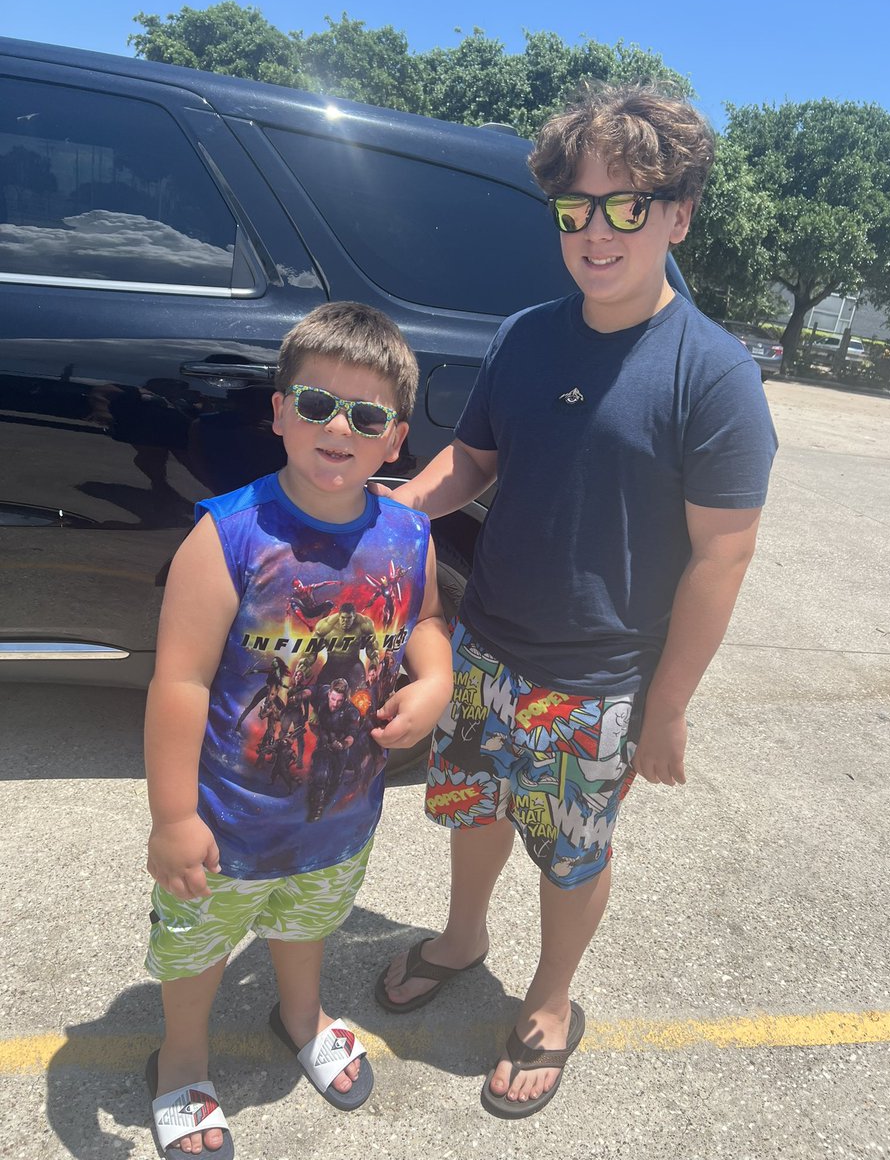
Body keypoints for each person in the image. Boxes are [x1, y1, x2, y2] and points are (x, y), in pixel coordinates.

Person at [375, 83, 778, 1119]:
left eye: (627, 204)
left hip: (596, 679)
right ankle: (463, 938)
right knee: (472, 808)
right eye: (576, 207)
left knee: (569, 851)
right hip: (485, 645)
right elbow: (473, 460)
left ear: (678, 216)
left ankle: (552, 999)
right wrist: (393, 514)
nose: (597, 230)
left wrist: (668, 707)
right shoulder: (527, 334)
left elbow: (721, 557)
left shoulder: (714, 375)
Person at [143, 302, 452, 1156]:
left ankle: (302, 1015)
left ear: (395, 442)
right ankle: (181, 1057)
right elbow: (178, 682)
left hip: (340, 818)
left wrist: (436, 679)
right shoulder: (228, 534)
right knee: (197, 951)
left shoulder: (410, 534)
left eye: (367, 417)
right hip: (225, 829)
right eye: (317, 405)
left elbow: (426, 621)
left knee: (307, 923)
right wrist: (173, 818)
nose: (338, 429)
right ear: (280, 412)